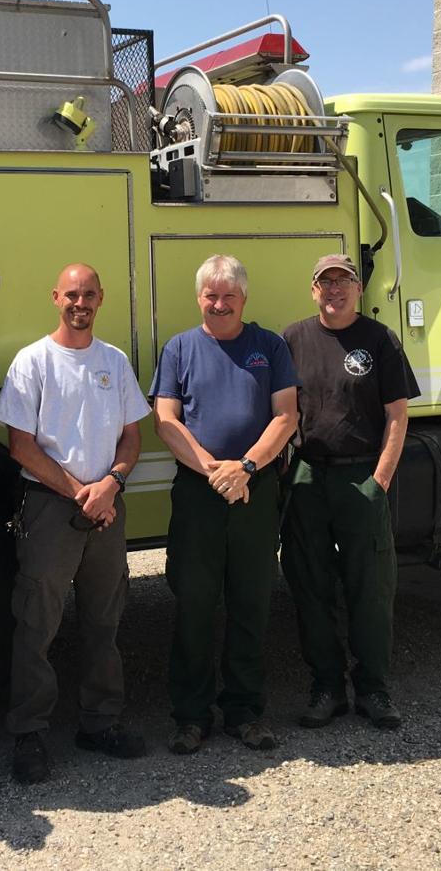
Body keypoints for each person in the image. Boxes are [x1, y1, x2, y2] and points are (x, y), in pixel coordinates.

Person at [0, 264, 150, 784]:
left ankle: (99, 722)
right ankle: (29, 733)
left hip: (106, 507)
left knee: (105, 620)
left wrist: (112, 485)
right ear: (54, 296)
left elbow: (132, 436)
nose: (80, 303)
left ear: (101, 299)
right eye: (71, 294)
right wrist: (80, 492)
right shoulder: (33, 361)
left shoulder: (115, 361)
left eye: (89, 294)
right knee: (37, 622)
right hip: (51, 508)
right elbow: (20, 445)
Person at [150, 255, 299, 755]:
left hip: (254, 491)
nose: (219, 304)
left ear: (243, 298)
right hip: (200, 493)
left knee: (251, 604)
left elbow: (285, 416)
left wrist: (246, 468)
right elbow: (166, 420)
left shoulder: (269, 346)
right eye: (210, 296)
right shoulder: (179, 348)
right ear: (199, 298)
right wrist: (214, 469)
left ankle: (245, 712)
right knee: (193, 604)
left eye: (228, 296)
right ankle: (191, 716)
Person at [281, 253, 419, 731]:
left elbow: (397, 416)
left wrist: (380, 479)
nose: (334, 290)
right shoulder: (293, 339)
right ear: (313, 289)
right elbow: (279, 412)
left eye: (344, 281)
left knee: (371, 588)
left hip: (361, 474)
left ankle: (374, 690)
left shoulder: (378, 339)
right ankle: (326, 688)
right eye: (325, 282)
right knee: (310, 586)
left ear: (359, 289)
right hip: (307, 477)